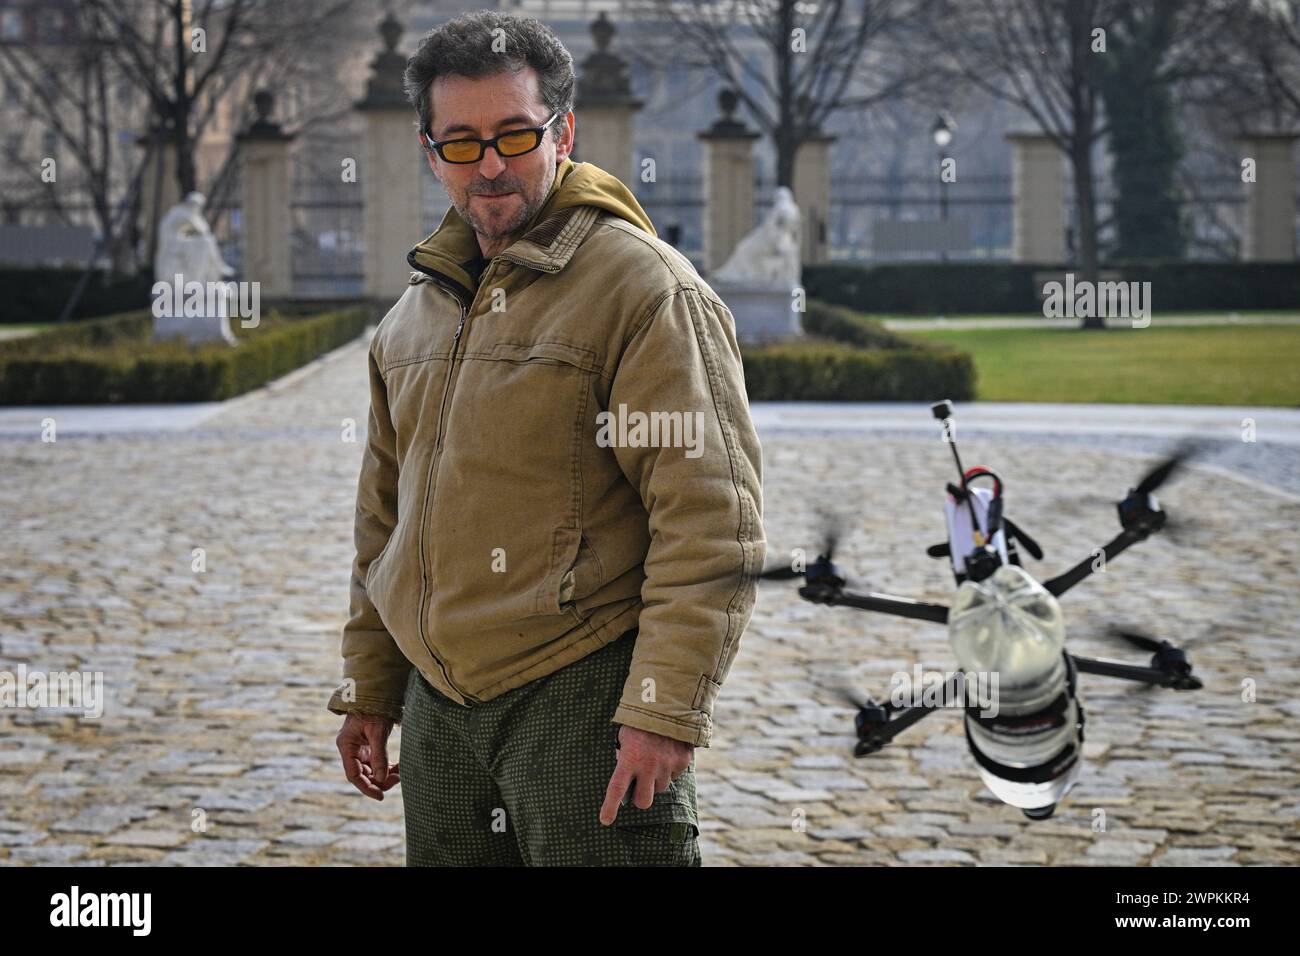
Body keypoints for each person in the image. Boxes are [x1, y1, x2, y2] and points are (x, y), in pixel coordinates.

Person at [328, 10, 765, 866]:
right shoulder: (410, 321)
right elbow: (384, 523)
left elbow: (710, 521)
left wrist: (663, 709)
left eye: (513, 135)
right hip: (440, 719)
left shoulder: (645, 292)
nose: (488, 164)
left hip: (583, 703)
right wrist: (369, 687)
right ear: (431, 152)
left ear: (562, 131)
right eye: (461, 142)